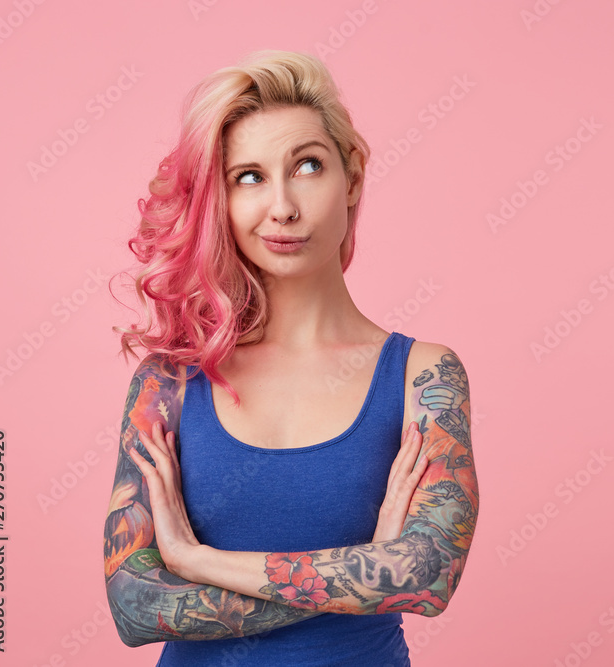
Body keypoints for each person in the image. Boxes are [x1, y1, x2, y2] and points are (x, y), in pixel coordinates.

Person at [102, 50, 479, 666]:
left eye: (307, 166)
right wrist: (365, 575)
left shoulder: (424, 375)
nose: (282, 206)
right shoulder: (168, 384)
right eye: (247, 176)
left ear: (351, 175)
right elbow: (133, 606)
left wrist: (197, 562)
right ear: (219, 200)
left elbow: (427, 576)